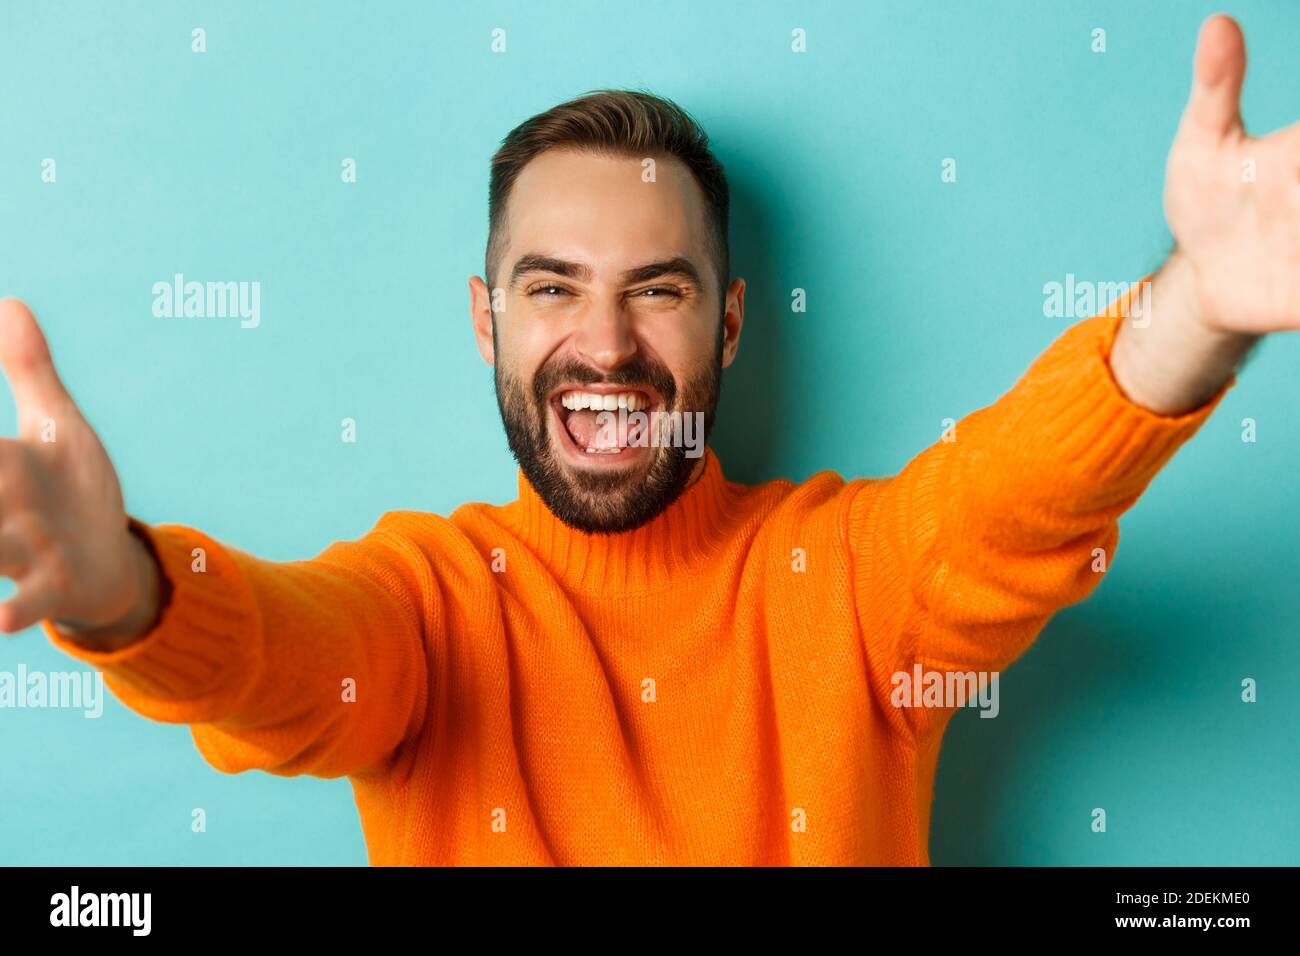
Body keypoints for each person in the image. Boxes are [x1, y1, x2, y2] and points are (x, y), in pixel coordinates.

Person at [1, 14, 1290, 865]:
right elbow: (283, 660)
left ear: (729, 324)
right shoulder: (431, 607)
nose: (606, 344)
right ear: (486, 321)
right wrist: (127, 594)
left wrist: (1201, 306)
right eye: (552, 287)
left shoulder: (848, 585)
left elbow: (1016, 496)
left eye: (657, 288)